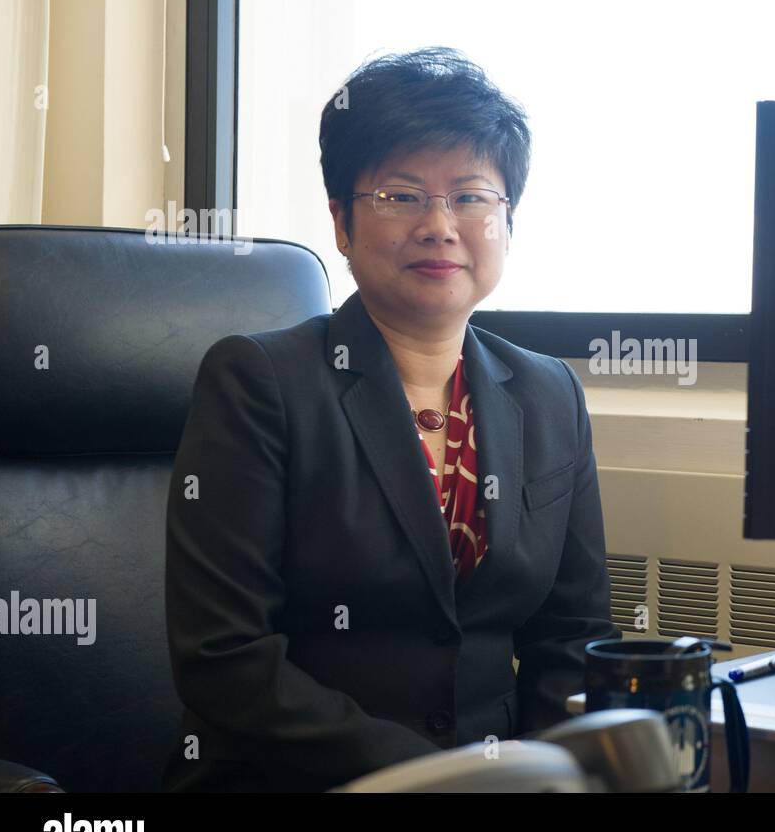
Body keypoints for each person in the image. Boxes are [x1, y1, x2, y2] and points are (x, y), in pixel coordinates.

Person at [162, 47, 621, 792]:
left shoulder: (549, 395)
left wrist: (545, 774)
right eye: (401, 196)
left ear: (509, 223)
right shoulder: (258, 382)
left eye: (472, 197)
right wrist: (439, 780)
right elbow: (226, 659)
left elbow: (574, 637)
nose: (441, 226)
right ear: (341, 221)